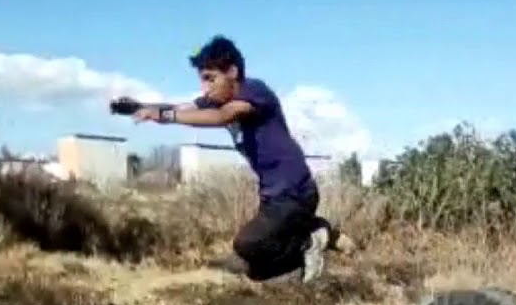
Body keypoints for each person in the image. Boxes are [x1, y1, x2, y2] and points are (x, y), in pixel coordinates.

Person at [118, 35, 353, 283]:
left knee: (248, 246)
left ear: (232, 71)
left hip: (295, 192)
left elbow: (222, 117)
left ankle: (310, 242)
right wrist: (141, 107)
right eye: (202, 80)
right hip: (273, 195)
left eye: (210, 79)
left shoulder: (255, 92)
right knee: (250, 266)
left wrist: (165, 117)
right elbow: (182, 106)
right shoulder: (219, 98)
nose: (205, 88)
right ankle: (315, 229)